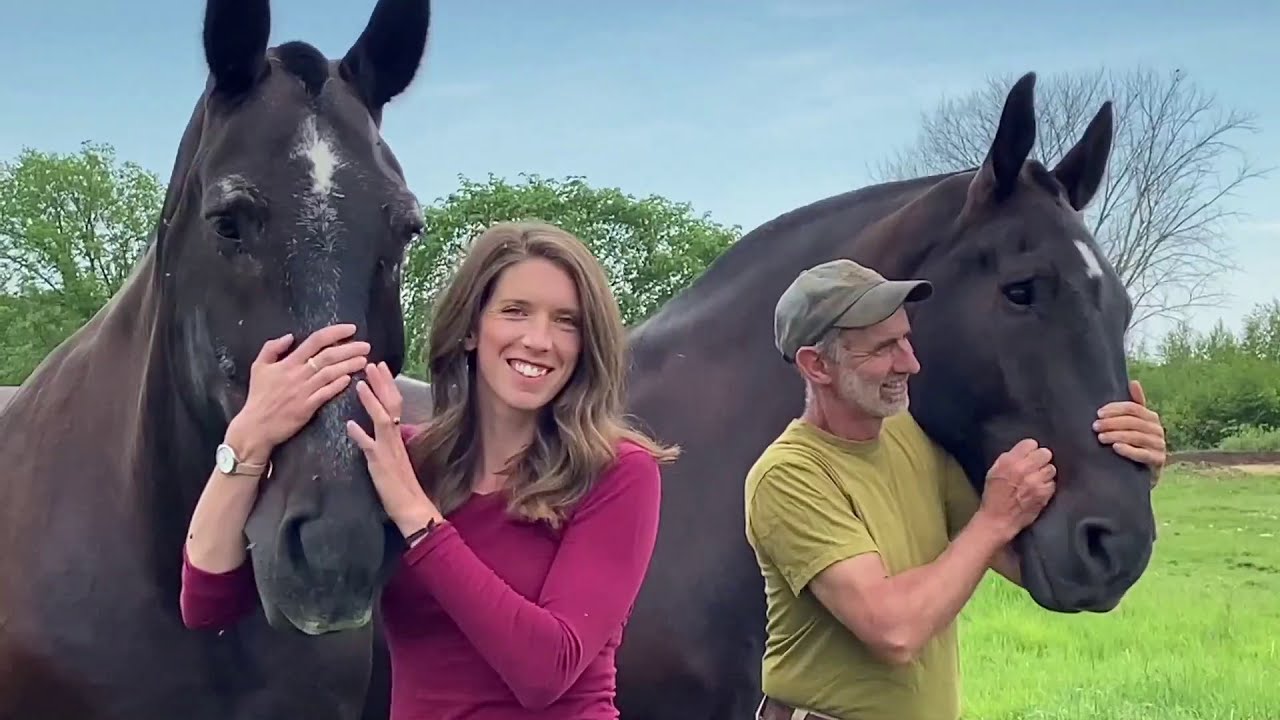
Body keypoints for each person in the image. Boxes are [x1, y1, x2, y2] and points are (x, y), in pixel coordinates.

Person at [179, 220, 679, 719]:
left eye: (566, 322)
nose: (539, 339)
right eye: (515, 312)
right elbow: (209, 604)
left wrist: (416, 517)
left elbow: (547, 669)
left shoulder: (618, 472)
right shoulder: (403, 460)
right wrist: (249, 438)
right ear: (469, 330)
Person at [744, 259, 1168, 720]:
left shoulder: (909, 437)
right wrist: (994, 519)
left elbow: (1042, 571)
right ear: (817, 365)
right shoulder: (789, 476)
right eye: (883, 348)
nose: (910, 362)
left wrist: (1122, 468)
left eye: (905, 338)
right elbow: (894, 630)